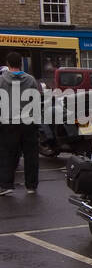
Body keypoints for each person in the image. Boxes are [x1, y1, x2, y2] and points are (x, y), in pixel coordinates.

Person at [0, 58, 41, 196]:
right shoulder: (31, 80)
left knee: (7, 155)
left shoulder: (1, 80)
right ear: (20, 64)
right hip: (28, 123)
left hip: (8, 123)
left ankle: (6, 185)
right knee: (31, 155)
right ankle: (31, 186)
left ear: (8, 64)